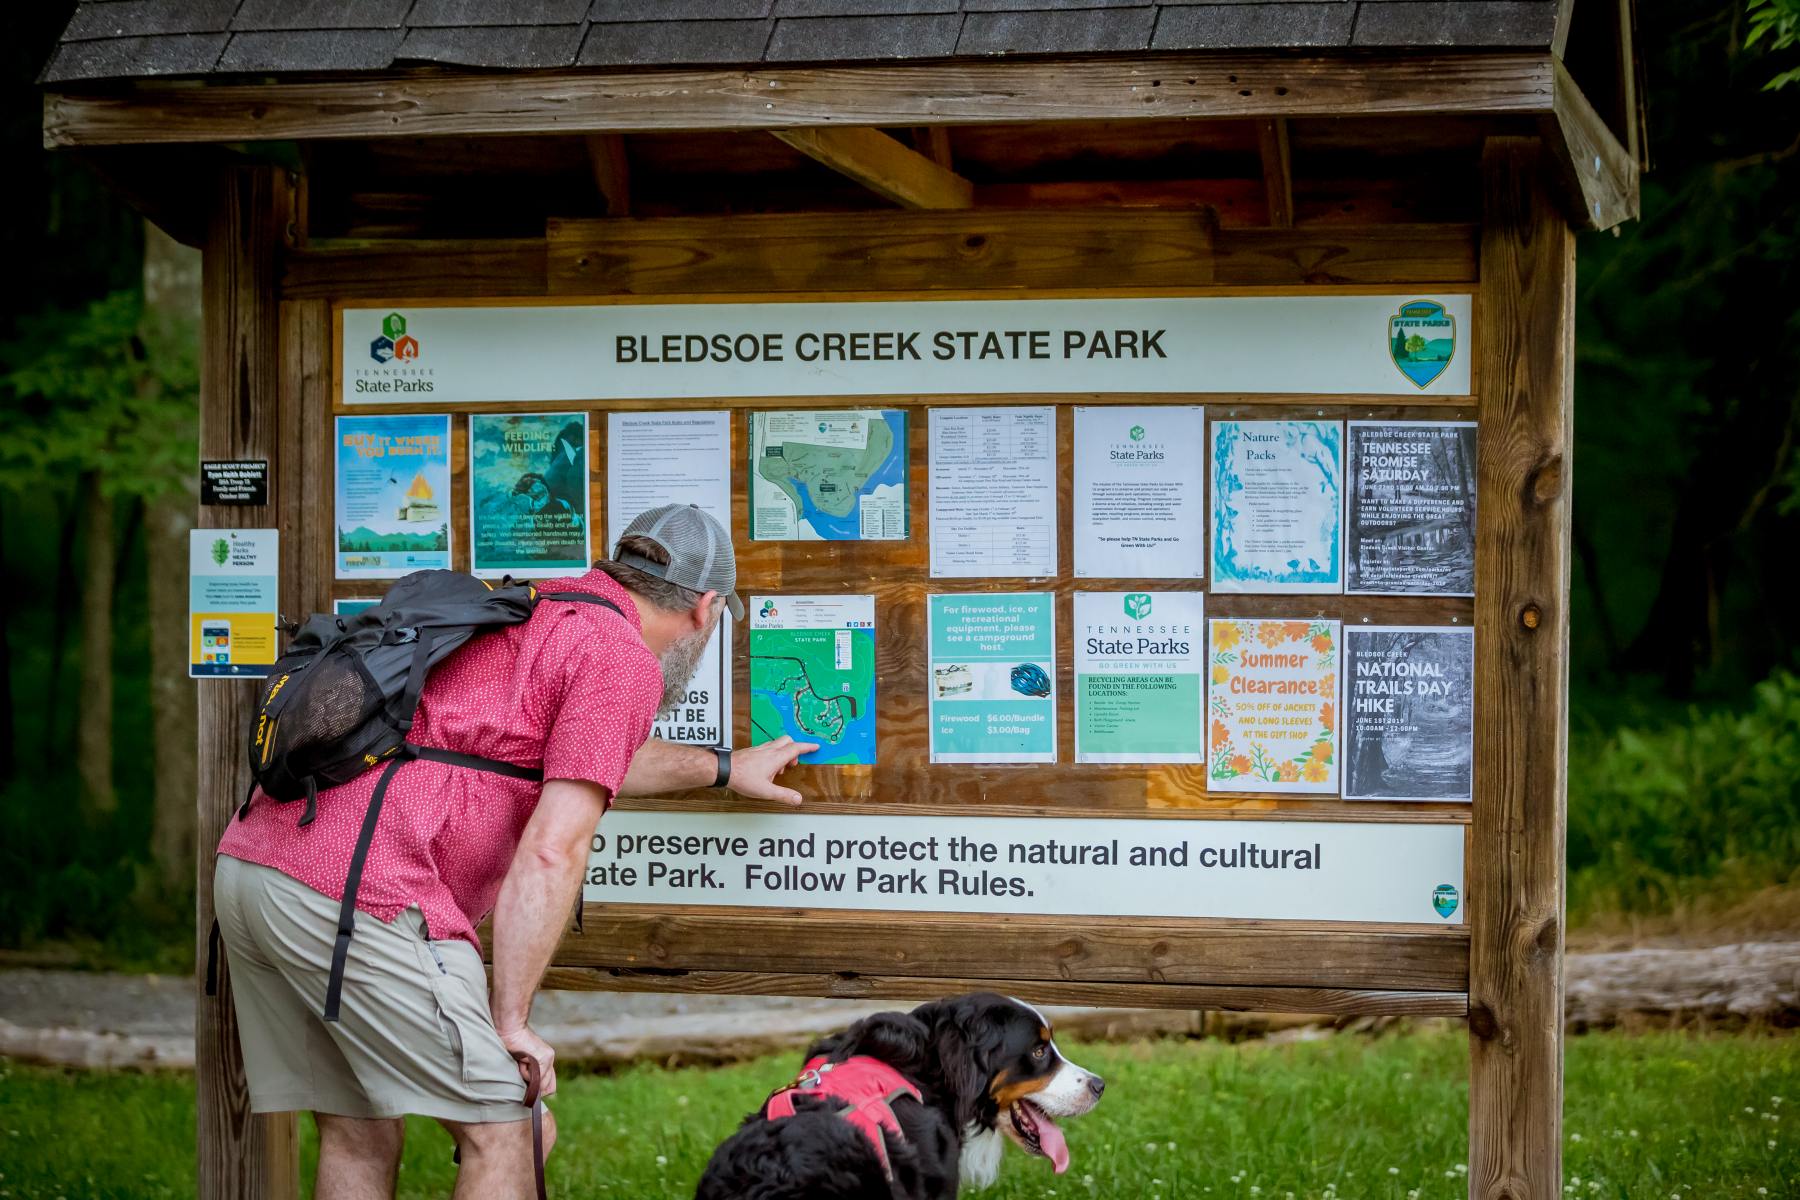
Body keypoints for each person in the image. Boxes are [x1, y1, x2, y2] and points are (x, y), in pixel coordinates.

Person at [212, 504, 814, 1200]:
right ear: (707, 609)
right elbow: (553, 850)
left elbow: (577, 754)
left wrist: (721, 767)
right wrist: (510, 1022)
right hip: (353, 893)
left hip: (260, 866)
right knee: (509, 1129)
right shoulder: (619, 656)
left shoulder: (538, 606)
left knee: (359, 1129)